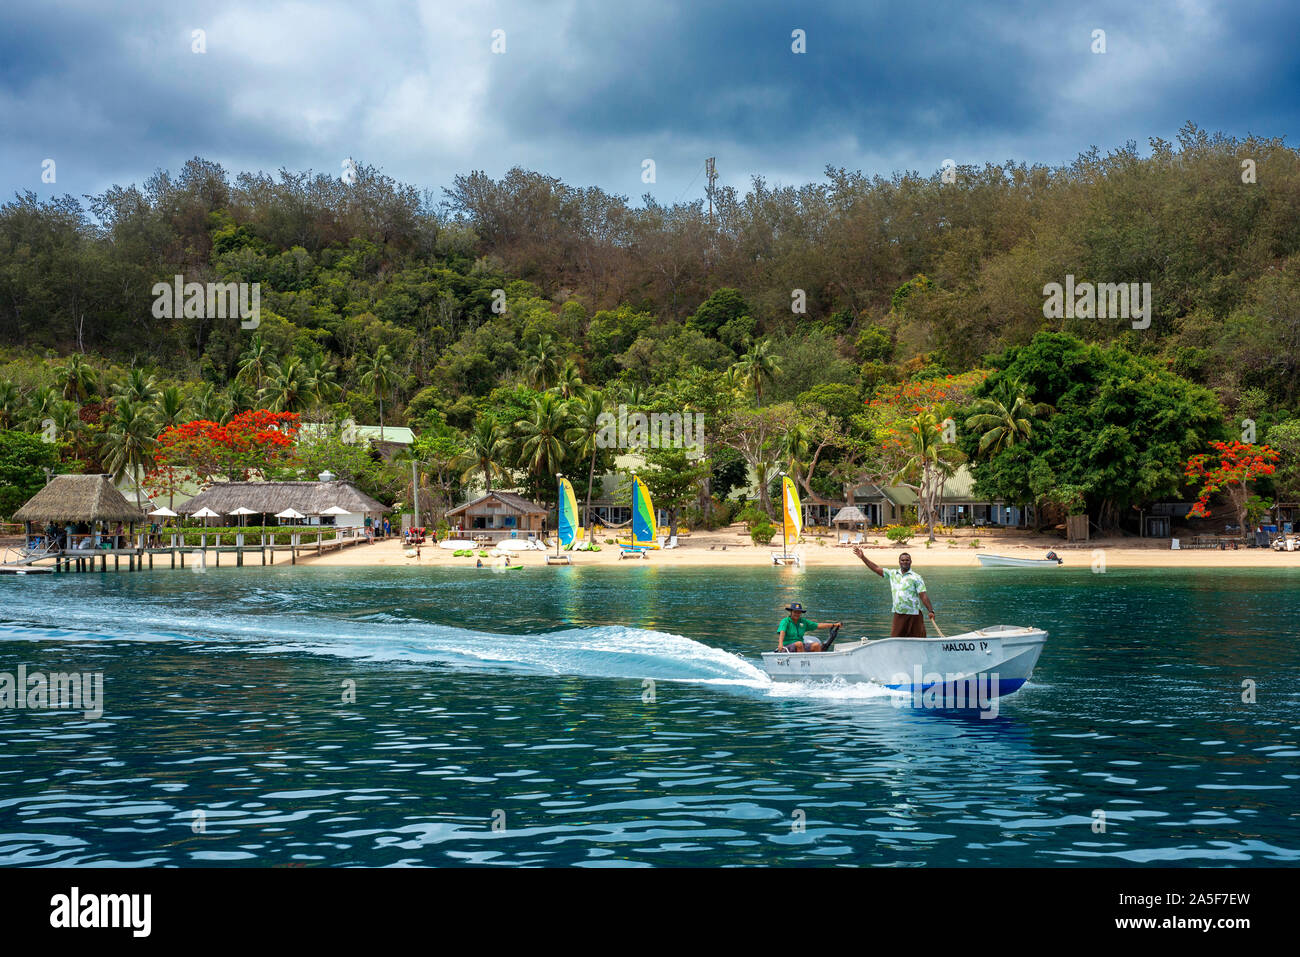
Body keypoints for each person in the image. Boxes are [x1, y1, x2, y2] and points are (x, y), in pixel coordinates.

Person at [852, 546, 935, 636]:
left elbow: (923, 595)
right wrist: (862, 557)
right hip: (899, 613)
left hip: (914, 613)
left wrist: (931, 611)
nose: (905, 562)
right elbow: (876, 568)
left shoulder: (916, 577)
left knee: (919, 639)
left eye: (907, 560)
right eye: (902, 560)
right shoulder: (893, 574)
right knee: (896, 638)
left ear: (911, 562)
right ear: (899, 562)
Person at [775, 602, 841, 653]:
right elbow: (782, 632)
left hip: (801, 645)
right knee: (799, 644)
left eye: (799, 612)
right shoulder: (785, 621)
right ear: (791, 612)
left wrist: (834, 625)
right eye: (795, 612)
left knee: (816, 645)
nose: (797, 614)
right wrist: (780, 644)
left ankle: (816, 664)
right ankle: (803, 663)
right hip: (787, 646)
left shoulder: (803, 621)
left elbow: (818, 625)